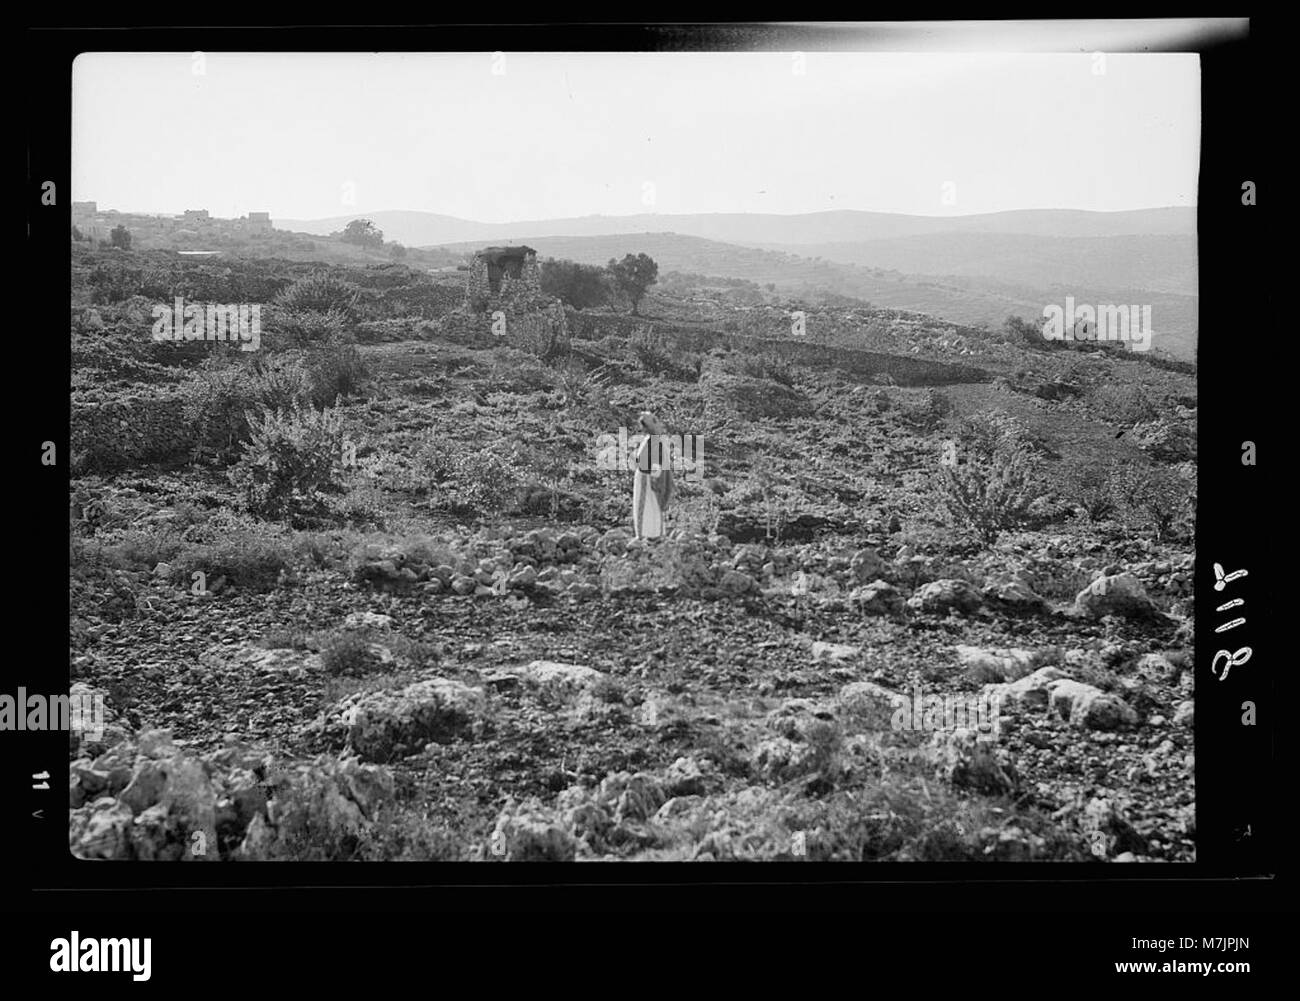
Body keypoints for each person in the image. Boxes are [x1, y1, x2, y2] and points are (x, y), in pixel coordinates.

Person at [632, 411, 675, 539]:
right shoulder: (651, 440)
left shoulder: (656, 440)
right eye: (654, 420)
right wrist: (656, 478)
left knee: (654, 506)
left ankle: (654, 534)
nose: (658, 423)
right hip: (647, 477)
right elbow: (647, 461)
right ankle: (644, 535)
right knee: (646, 505)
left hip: (652, 476)